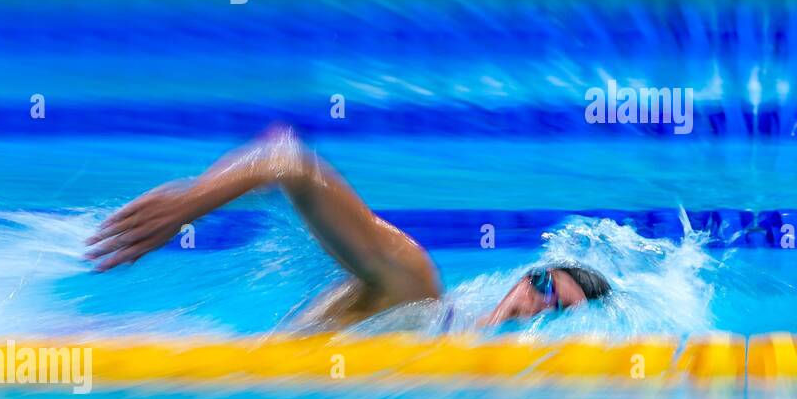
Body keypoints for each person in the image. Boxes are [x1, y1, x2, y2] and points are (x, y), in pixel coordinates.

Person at [84, 126, 611, 331]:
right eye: (542, 285)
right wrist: (188, 204)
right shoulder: (416, 289)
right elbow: (287, 159)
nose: (535, 304)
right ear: (521, 278)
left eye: (559, 309)